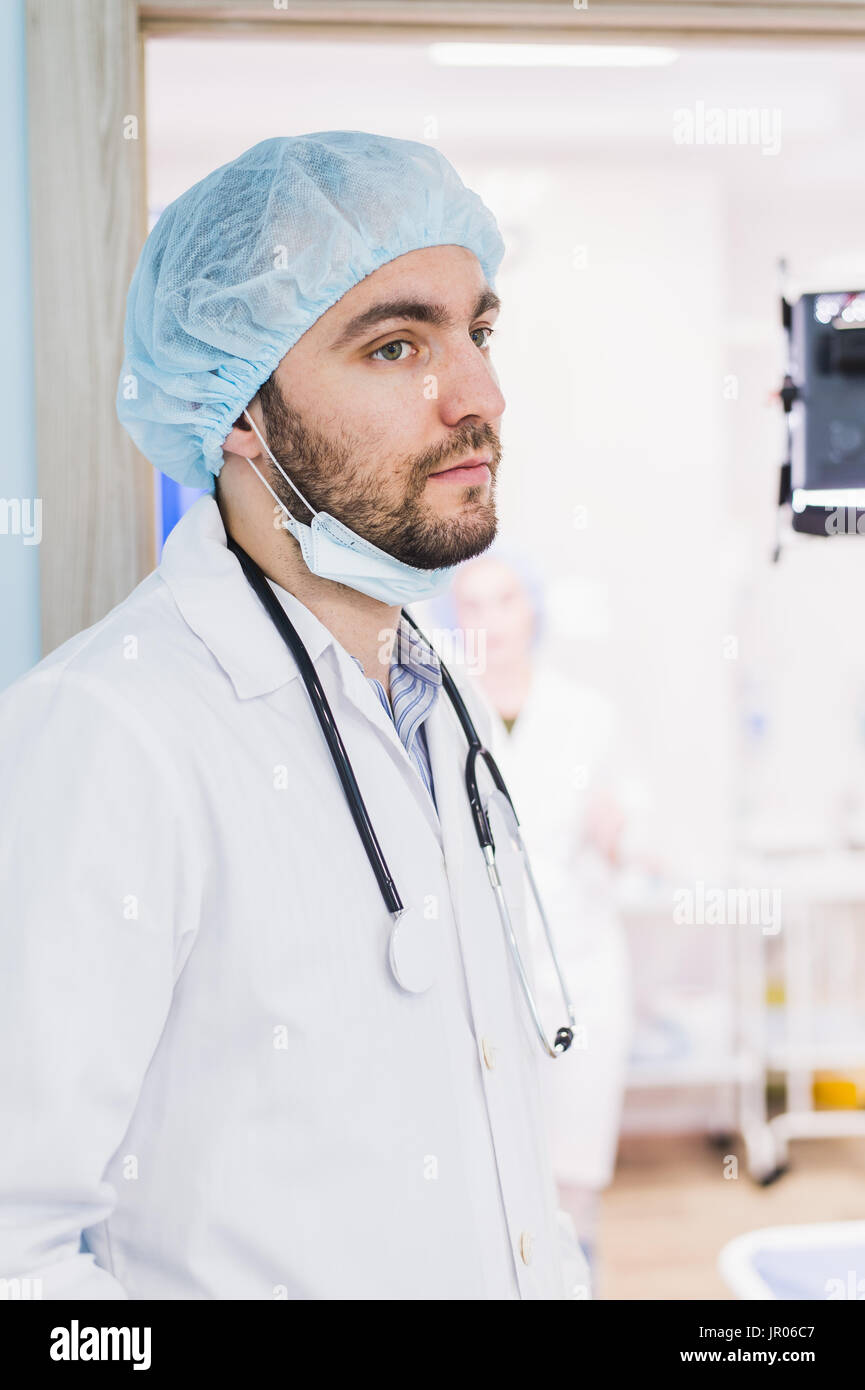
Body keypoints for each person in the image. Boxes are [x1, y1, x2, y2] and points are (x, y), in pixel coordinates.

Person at [0, 134, 589, 1300]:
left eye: (477, 330)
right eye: (395, 344)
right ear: (237, 413)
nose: (478, 395)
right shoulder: (108, 735)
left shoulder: (440, 696)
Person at [429, 544, 634, 1279]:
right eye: (472, 605)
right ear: (453, 618)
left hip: (577, 968)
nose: (490, 620)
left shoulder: (589, 715)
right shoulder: (436, 708)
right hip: (480, 978)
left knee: (575, 1184)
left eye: (505, 601)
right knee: (498, 1182)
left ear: (533, 611)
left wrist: (624, 835)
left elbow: (629, 836)